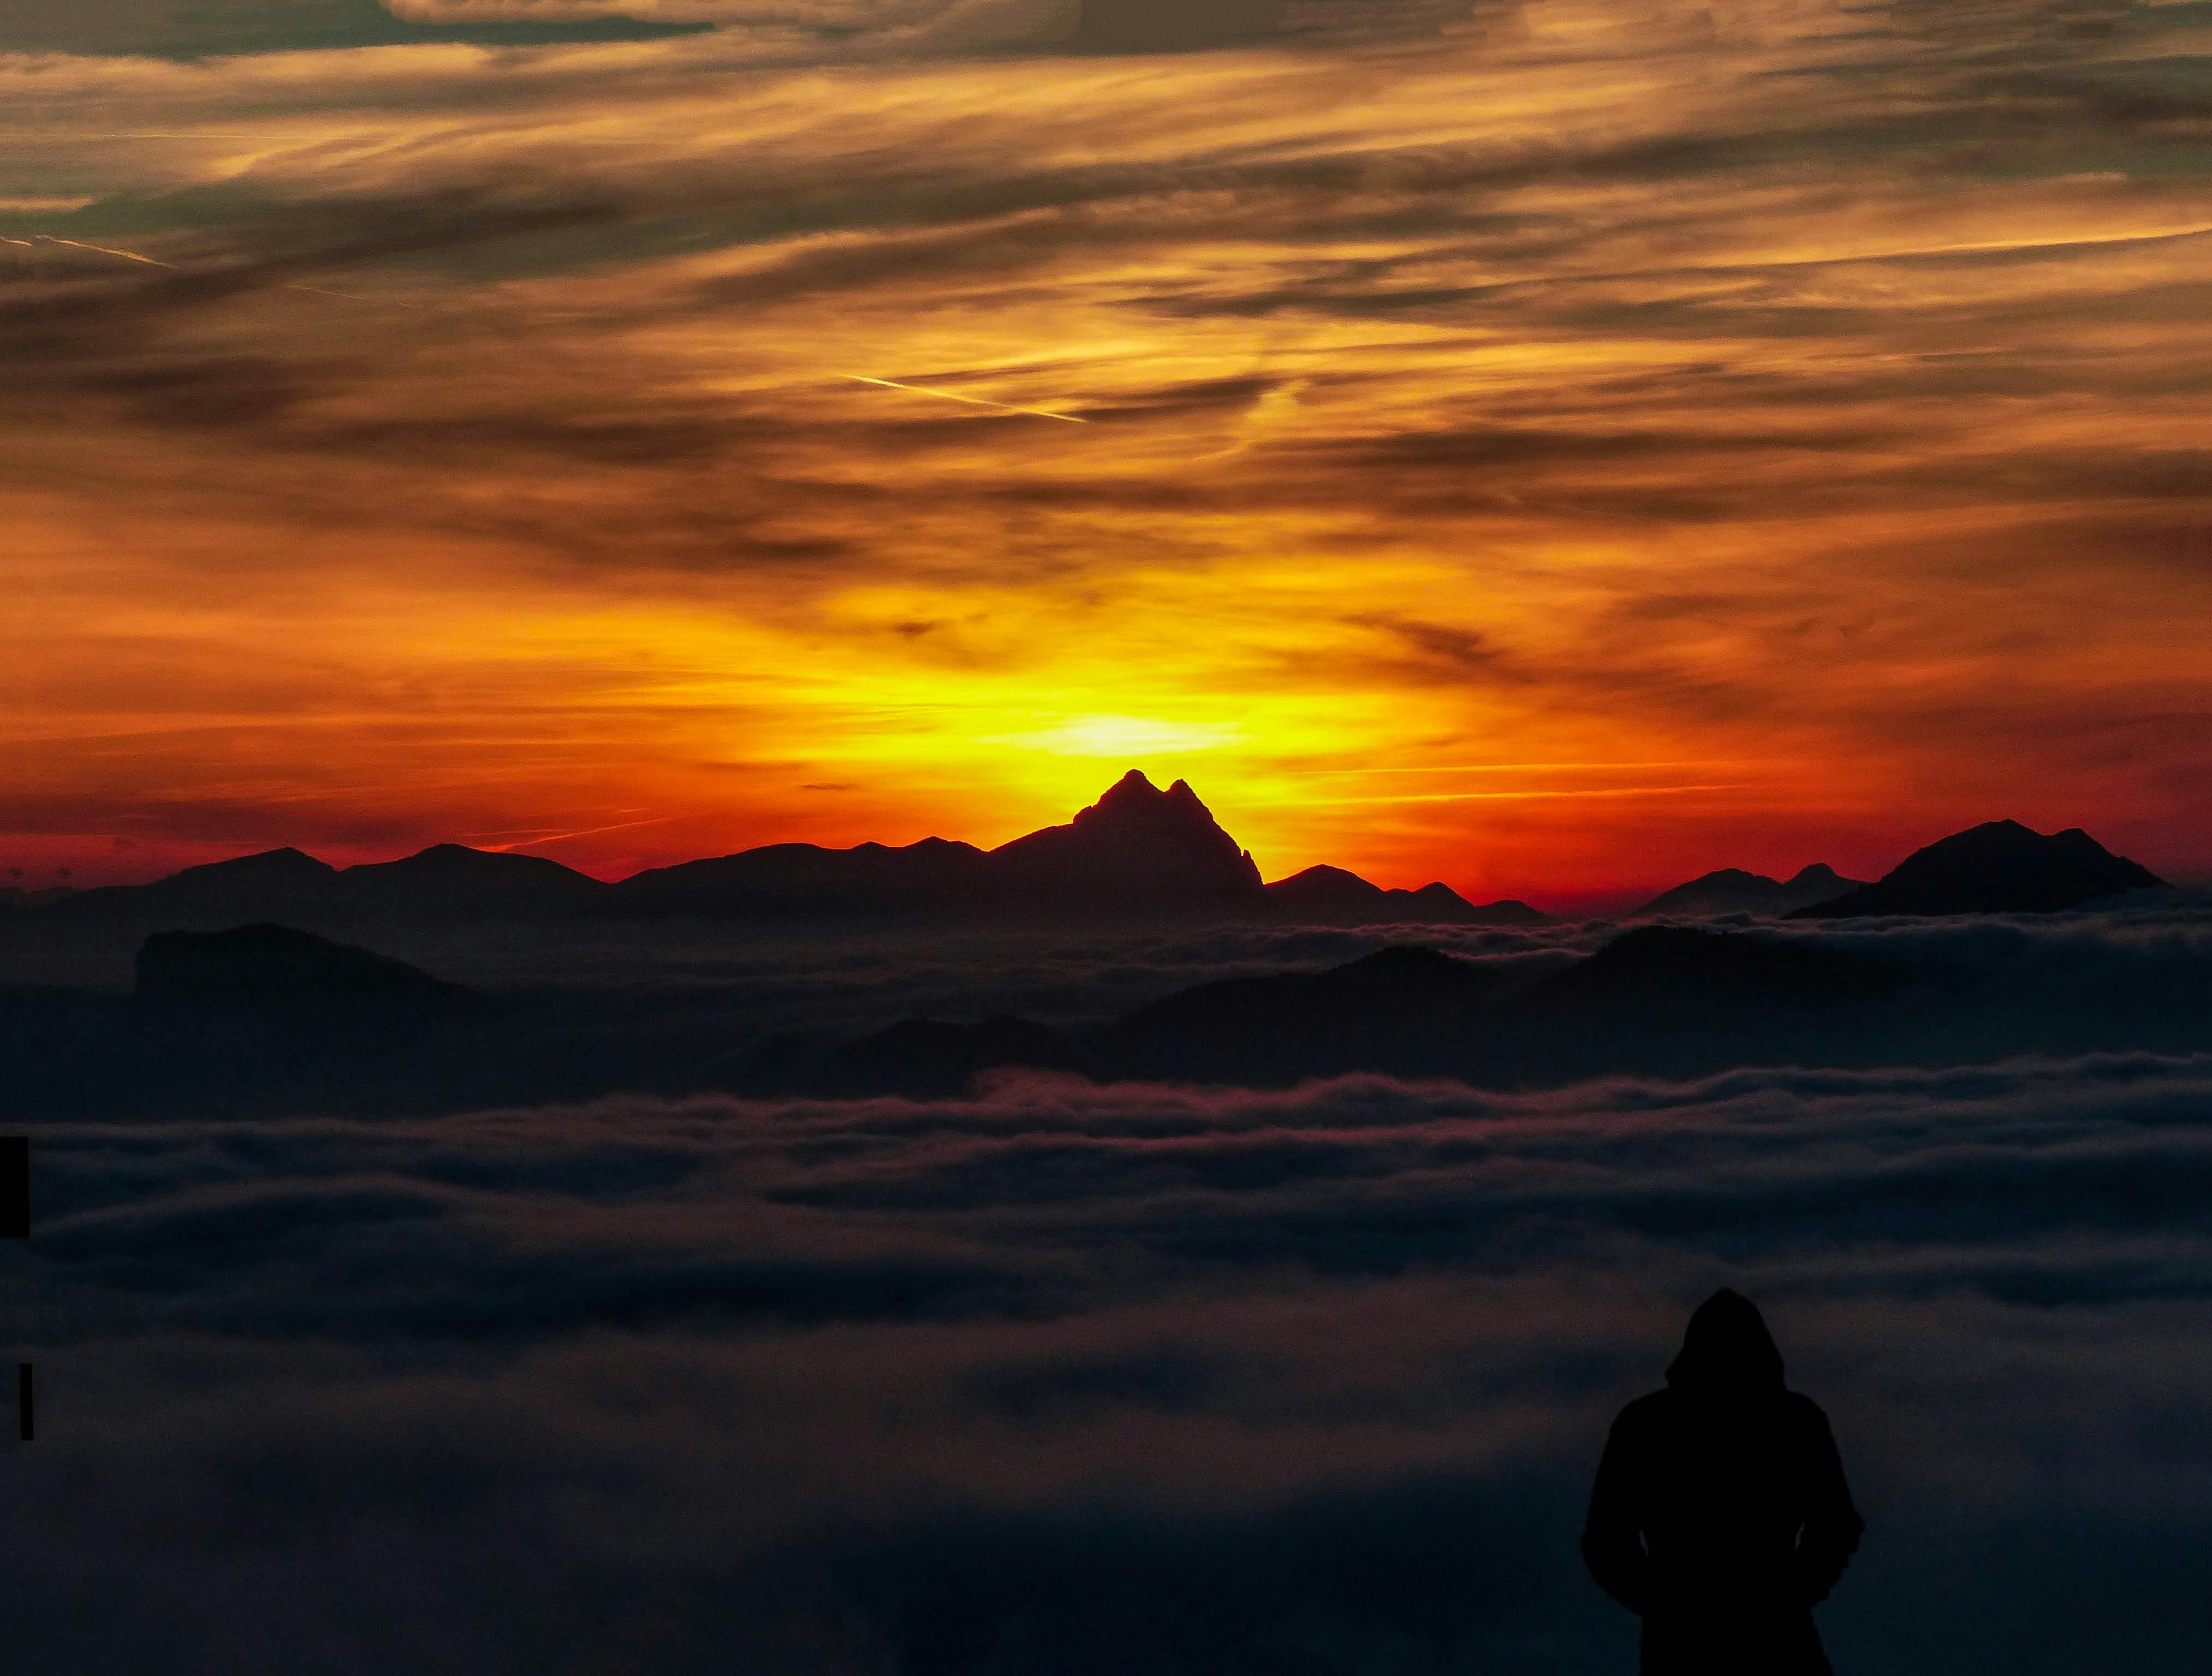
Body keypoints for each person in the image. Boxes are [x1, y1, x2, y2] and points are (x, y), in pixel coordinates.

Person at [1583, 1289, 1864, 1674]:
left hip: (1713, 1643)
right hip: (1761, 1641)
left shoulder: (1646, 1423)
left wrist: (1667, 1605)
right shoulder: (1796, 1422)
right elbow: (1607, 1540)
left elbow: (1607, 1540)